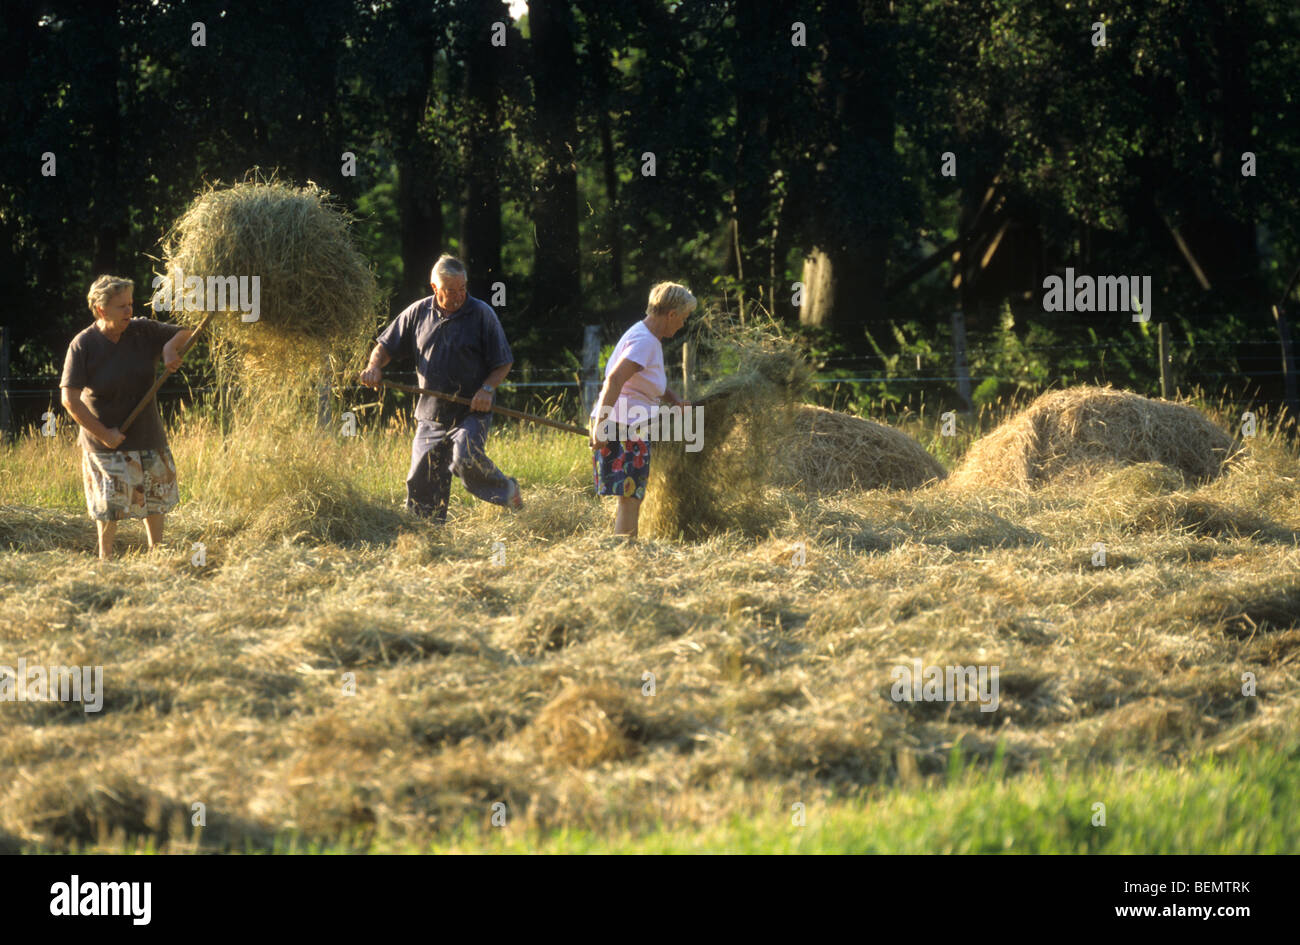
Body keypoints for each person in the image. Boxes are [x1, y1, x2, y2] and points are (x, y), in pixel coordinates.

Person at [360, 254, 522, 521]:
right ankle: (427, 534)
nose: (458, 296)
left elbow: (503, 362)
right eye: (450, 291)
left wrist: (487, 390)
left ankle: (508, 491)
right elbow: (385, 346)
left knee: (464, 456)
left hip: (471, 411)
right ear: (435, 288)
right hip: (431, 414)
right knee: (421, 479)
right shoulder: (418, 312)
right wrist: (374, 367)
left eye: (462, 289)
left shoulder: (482, 313)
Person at [60, 275, 192, 560]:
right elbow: (69, 399)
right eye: (122, 307)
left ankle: (157, 553)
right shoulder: (83, 345)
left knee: (154, 499)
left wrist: (170, 348)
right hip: (105, 441)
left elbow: (186, 333)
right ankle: (105, 558)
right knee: (110, 504)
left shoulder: (143, 330)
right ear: (101, 310)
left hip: (147, 434)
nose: (129, 311)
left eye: (131, 304)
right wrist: (104, 434)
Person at [589, 282, 697, 540]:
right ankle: (625, 555)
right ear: (671, 314)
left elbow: (648, 382)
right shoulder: (645, 342)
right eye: (683, 318)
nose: (682, 324)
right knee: (630, 496)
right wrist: (601, 426)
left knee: (630, 495)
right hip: (623, 426)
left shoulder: (645, 336)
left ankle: (624, 551)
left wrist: (674, 399)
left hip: (627, 424)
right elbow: (615, 380)